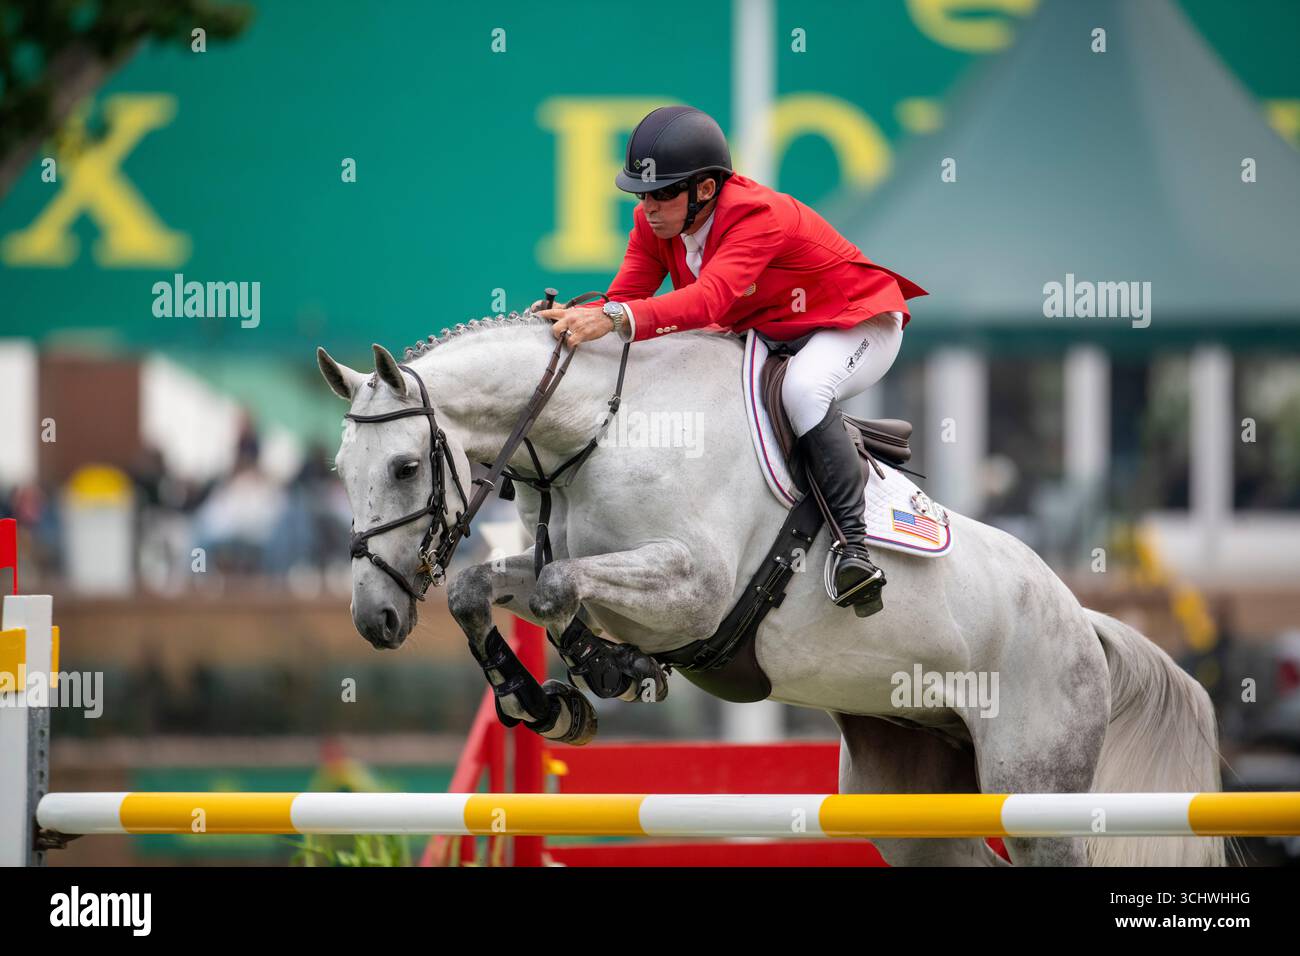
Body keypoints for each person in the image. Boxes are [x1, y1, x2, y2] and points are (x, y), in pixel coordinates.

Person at [539, 105, 926, 616]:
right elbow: (625, 297)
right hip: (772, 329)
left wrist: (609, 319)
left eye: (663, 193)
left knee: (803, 390)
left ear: (704, 189)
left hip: (854, 323)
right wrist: (572, 318)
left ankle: (852, 549)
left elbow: (707, 303)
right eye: (642, 194)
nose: (650, 207)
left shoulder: (755, 214)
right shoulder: (652, 224)